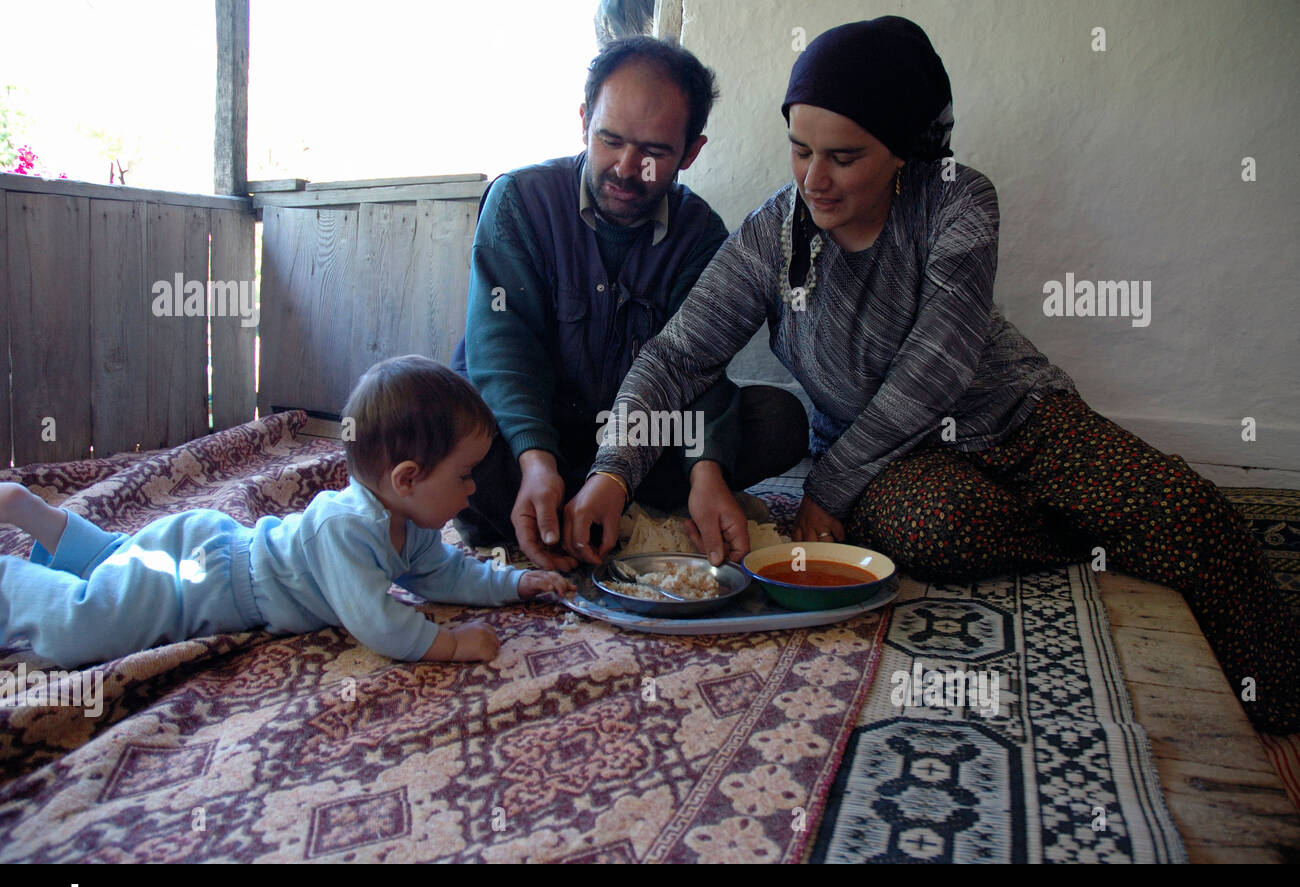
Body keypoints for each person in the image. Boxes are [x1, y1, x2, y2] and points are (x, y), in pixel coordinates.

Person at [565, 17, 1298, 734]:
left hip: (1020, 419)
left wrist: (827, 488)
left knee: (1193, 517)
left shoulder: (958, 201)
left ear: (904, 152)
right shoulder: (773, 233)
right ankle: (1084, 533)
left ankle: (1285, 703)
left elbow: (935, 370)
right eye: (799, 150)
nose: (813, 180)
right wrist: (613, 471)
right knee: (938, 531)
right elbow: (675, 357)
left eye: (844, 157)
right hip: (891, 455)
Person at [451, 35, 808, 572]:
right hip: (530, 431)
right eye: (609, 139)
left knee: (779, 421)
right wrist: (534, 458)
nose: (624, 167)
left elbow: (700, 371)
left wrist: (706, 469)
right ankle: (590, 503)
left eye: (655, 152)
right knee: (452, 442)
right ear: (583, 122)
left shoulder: (701, 235)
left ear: (691, 151)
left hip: (642, 440)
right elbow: (502, 348)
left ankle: (602, 504)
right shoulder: (520, 201)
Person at [0, 356, 572, 669]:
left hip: (205, 552)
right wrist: (450, 644)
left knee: (119, 563)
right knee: (83, 628)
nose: (474, 492)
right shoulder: (347, 530)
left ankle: (36, 516)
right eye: (465, 475)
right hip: (201, 580)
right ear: (407, 478)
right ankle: (10, 580)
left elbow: (449, 574)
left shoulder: (411, 524)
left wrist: (515, 583)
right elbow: (376, 621)